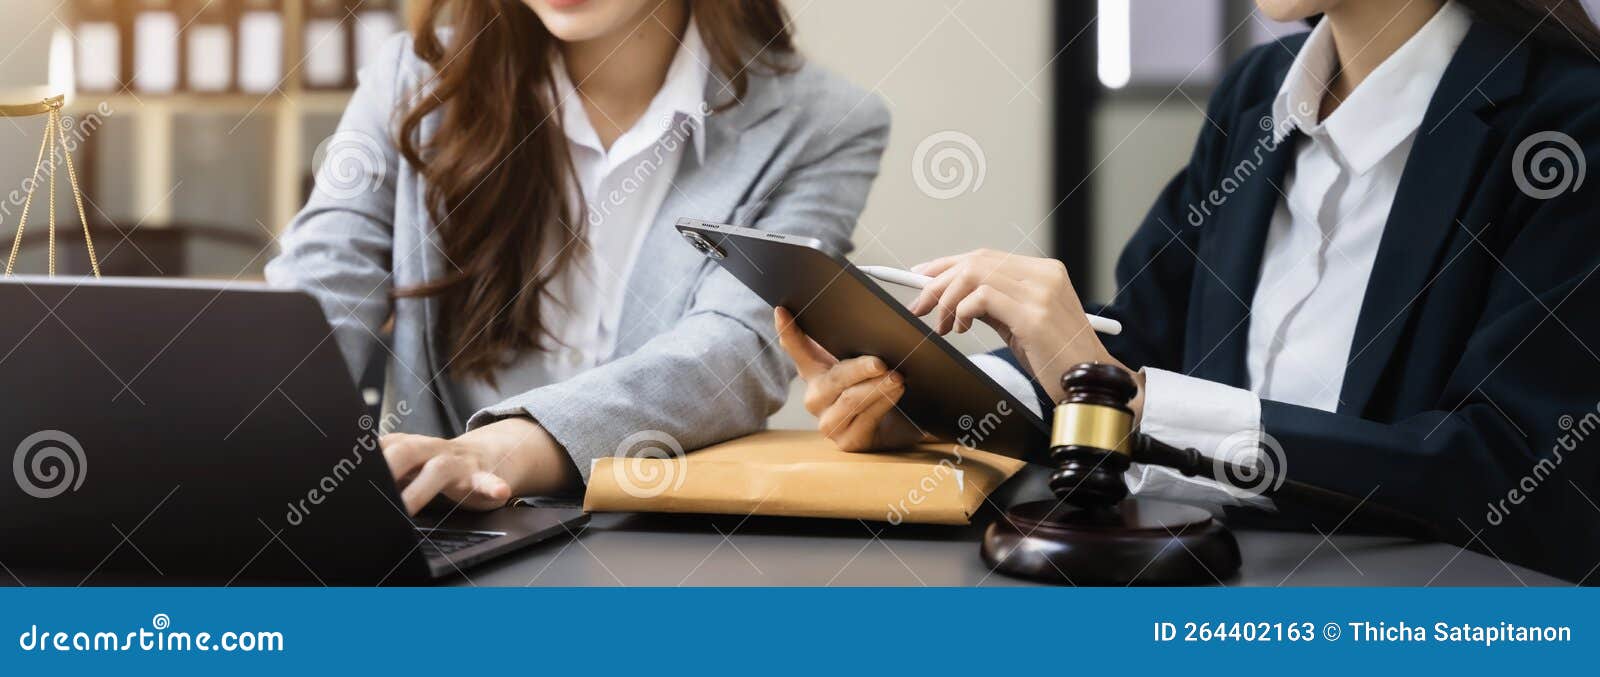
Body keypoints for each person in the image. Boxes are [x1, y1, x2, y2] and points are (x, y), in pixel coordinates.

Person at [779, 0, 1600, 581]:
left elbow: (1508, 471)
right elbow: (1140, 330)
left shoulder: (1567, 125)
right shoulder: (1257, 96)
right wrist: (926, 398)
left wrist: (1117, 398)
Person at [266, 0, 889, 515]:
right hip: (432, 531)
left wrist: (500, 450)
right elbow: (322, 283)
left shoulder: (824, 123)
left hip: (651, 546)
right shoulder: (413, 75)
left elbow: (732, 350)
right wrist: (249, 441)